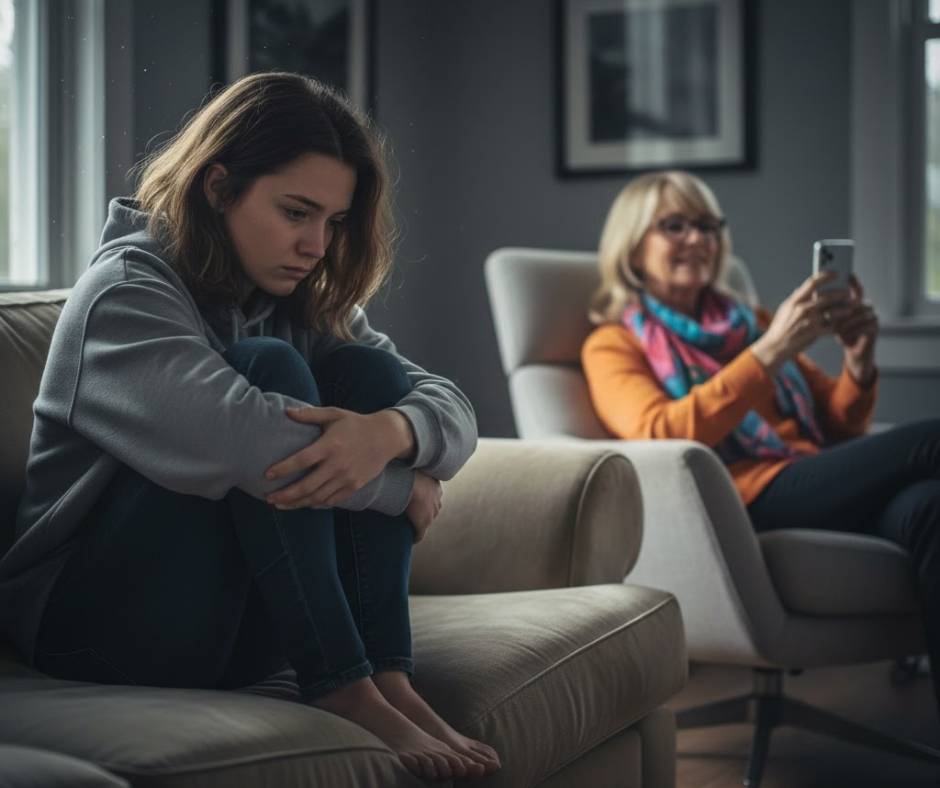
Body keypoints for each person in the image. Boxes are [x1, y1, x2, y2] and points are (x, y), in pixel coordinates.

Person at [0, 72, 499, 781]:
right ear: (219, 188)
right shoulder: (123, 295)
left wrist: (392, 434)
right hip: (92, 630)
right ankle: (341, 683)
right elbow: (250, 445)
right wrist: (402, 489)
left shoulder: (287, 296)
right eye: (296, 212)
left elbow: (451, 406)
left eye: (333, 222)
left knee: (369, 376)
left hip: (234, 626)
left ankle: (386, 676)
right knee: (270, 368)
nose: (316, 244)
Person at [581, 169, 940, 712]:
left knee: (931, 506)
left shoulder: (748, 323)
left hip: (811, 478)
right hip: (739, 498)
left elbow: (840, 427)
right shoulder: (613, 344)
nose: (699, 239)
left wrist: (859, 360)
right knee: (931, 441)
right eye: (675, 226)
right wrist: (769, 352)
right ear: (632, 247)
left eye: (708, 226)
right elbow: (661, 433)